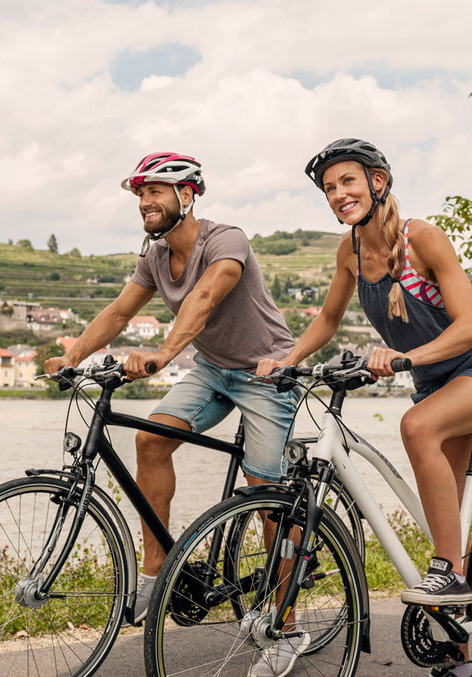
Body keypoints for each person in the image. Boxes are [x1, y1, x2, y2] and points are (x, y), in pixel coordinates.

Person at [257, 138, 472, 677]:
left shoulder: (423, 238)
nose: (338, 194)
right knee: (445, 525)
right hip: (434, 382)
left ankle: (447, 571)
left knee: (415, 427)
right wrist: (288, 360)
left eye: (347, 182)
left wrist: (405, 358)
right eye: (330, 188)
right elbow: (328, 320)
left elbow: (469, 325)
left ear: (377, 182)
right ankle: (460, 661)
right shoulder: (349, 250)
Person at [43, 152, 305, 674]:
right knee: (151, 440)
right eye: (140, 193)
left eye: (156, 191)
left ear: (188, 196)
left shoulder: (226, 240)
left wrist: (163, 354)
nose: (145, 201)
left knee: (265, 493)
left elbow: (205, 298)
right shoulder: (155, 257)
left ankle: (286, 626)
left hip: (266, 372)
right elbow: (119, 311)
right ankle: (156, 569)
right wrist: (72, 356)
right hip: (212, 370)